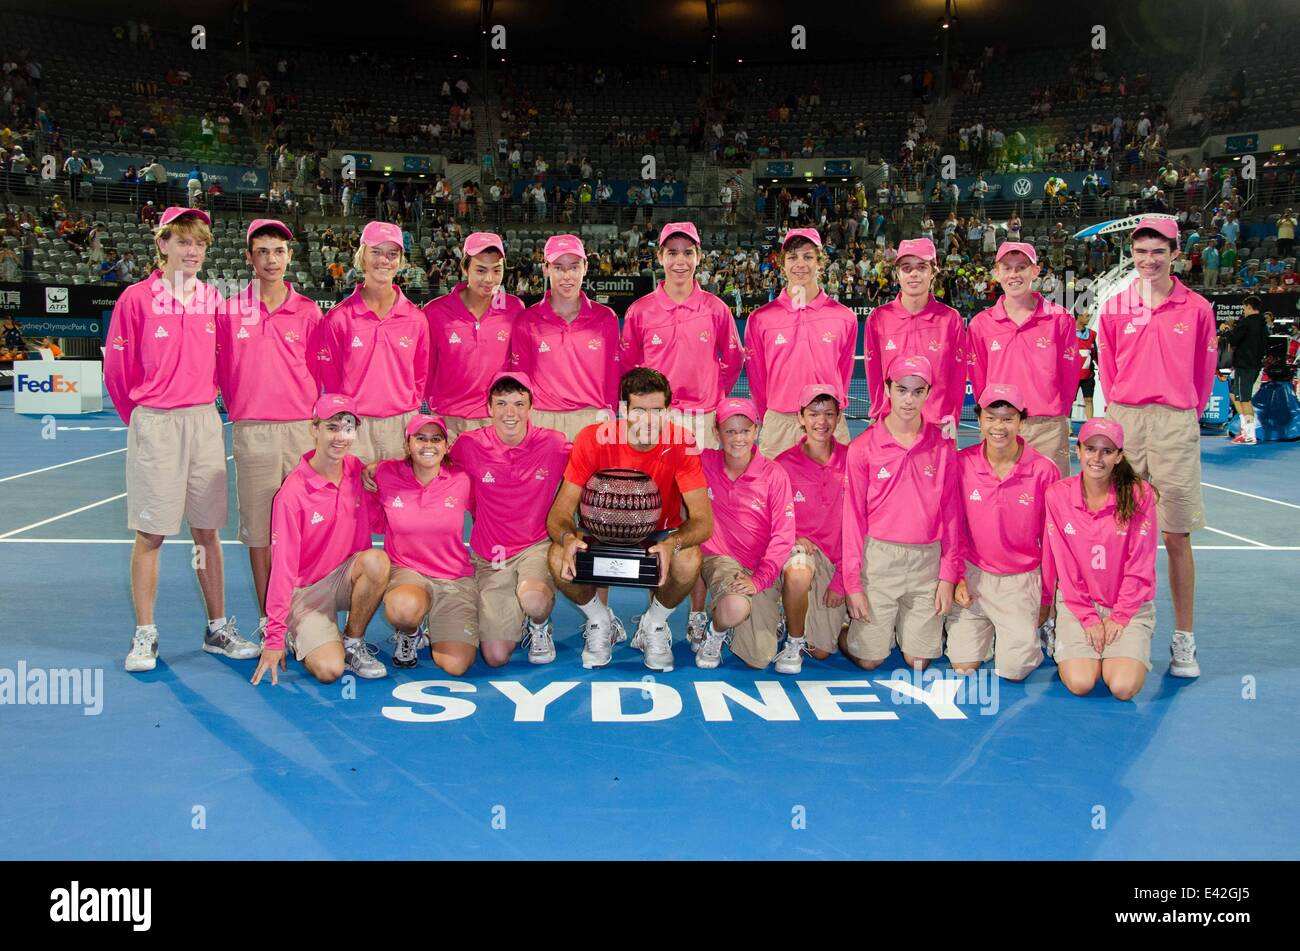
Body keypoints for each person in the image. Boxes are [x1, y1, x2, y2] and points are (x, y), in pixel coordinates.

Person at [104, 206, 258, 672]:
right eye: (183, 241)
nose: (192, 251)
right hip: (157, 422)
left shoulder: (214, 299)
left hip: (204, 422)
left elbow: (227, 364)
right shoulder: (136, 298)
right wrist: (143, 418)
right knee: (151, 531)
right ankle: (145, 634)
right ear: (163, 244)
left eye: (199, 244)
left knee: (206, 531)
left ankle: (216, 628)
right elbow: (117, 370)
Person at [1096, 216, 1215, 677]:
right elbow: (1107, 369)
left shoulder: (1197, 308)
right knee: (1115, 529)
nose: (1149, 260)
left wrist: (1179, 412)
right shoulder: (1115, 307)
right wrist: (1125, 410)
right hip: (1124, 420)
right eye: (1141, 252)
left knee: (1175, 534)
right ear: (1133, 253)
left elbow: (1203, 378)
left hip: (1174, 423)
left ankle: (1183, 639)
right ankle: (1110, 626)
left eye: (1158, 251)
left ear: (1174, 253)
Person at [548, 367, 714, 671]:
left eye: (656, 410)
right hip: (600, 534)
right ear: (623, 410)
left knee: (689, 558)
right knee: (559, 554)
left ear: (668, 411)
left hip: (658, 536)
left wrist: (673, 543)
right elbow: (559, 513)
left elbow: (703, 521)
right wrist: (568, 537)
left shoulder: (682, 441)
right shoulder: (593, 439)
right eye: (639, 410)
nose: (648, 420)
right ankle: (600, 621)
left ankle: (654, 624)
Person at [217, 219, 325, 643]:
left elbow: (321, 370)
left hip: (302, 431)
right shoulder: (229, 310)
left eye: (278, 251)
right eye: (262, 251)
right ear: (249, 257)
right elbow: (221, 370)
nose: (271, 259)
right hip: (254, 432)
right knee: (261, 532)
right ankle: (269, 618)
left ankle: (302, 614)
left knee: (305, 528)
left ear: (289, 257)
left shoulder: (310, 311)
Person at [251, 395, 392, 686]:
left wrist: (380, 488)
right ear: (314, 429)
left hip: (344, 575)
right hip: (307, 590)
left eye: (348, 428)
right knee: (330, 671)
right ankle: (296, 632)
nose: (341, 436)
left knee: (377, 562)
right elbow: (282, 569)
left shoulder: (357, 472)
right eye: (332, 427)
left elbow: (379, 525)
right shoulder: (292, 495)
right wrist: (274, 637)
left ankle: (353, 644)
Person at [441, 372, 569, 668]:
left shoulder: (553, 444)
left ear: (530, 407)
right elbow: (432, 466)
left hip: (535, 545)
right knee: (495, 656)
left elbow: (590, 463)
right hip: (492, 554)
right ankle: (510, 611)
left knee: (534, 600)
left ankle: (538, 625)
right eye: (501, 404)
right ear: (489, 408)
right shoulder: (468, 445)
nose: (510, 413)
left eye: (518, 404)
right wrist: (379, 469)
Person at [841, 354, 960, 670]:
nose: (909, 399)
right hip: (879, 561)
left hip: (926, 562)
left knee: (918, 661)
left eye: (918, 391)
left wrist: (948, 576)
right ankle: (852, 630)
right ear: (887, 389)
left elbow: (951, 514)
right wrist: (852, 585)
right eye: (902, 389)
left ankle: (894, 628)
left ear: (928, 393)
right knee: (870, 660)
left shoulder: (943, 446)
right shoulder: (863, 448)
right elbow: (853, 519)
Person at [946, 384, 1062, 680]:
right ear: (980, 420)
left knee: (1013, 670)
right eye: (991, 417)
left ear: (1022, 422)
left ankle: (1019, 635)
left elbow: (1051, 544)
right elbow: (953, 527)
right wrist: (958, 577)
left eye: (1008, 418)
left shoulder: (1044, 471)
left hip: (1019, 581)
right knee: (962, 664)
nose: (999, 426)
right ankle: (990, 632)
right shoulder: (961, 463)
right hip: (975, 578)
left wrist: (1046, 598)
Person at [1043, 419, 1159, 701]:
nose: (1097, 458)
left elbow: (1140, 564)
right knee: (1081, 682)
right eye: (1090, 449)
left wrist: (1119, 617)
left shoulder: (1140, 495)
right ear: (1078, 451)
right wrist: (1088, 616)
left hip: (1128, 606)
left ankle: (1126, 645)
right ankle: (1074, 642)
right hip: (1078, 604)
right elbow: (1066, 566)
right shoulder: (1058, 495)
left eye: (1107, 451)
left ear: (1119, 456)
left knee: (1122, 687)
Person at [619, 221, 743, 450]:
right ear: (659, 256)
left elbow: (734, 360)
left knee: (704, 486)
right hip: (656, 419)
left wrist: (712, 391)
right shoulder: (639, 311)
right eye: (672, 252)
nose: (680, 261)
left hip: (704, 418)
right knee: (655, 486)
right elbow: (629, 368)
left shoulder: (716, 308)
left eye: (688, 253)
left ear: (699, 256)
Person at [371, 414, 480, 672]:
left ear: (445, 445)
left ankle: (439, 621)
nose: (428, 445)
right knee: (404, 610)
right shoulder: (385, 473)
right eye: (420, 438)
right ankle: (410, 632)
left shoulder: (462, 478)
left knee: (456, 665)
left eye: (436, 439)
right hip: (408, 572)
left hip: (453, 578)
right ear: (408, 443)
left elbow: (488, 516)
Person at [692, 398, 795, 669]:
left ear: (757, 431)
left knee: (759, 660)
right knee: (735, 608)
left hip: (761, 567)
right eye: (730, 431)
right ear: (717, 433)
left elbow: (784, 536)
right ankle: (715, 631)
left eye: (745, 430)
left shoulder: (775, 475)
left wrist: (760, 580)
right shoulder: (703, 463)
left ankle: (768, 613)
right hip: (721, 559)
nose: (738, 438)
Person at [317, 220, 429, 465]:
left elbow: (420, 376)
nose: (384, 260)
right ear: (362, 256)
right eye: (376, 251)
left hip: (401, 426)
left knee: (398, 503)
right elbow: (331, 380)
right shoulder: (338, 317)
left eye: (392, 254)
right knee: (353, 502)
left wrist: (402, 406)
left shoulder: (416, 318)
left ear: (400, 260)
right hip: (354, 426)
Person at [967, 242, 1078, 476]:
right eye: (1007, 268)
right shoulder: (980, 324)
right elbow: (979, 380)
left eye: (1021, 267)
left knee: (1052, 503)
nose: (1014, 274)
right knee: (999, 500)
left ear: (1035, 271)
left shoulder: (1060, 319)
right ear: (997, 273)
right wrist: (992, 418)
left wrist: (1055, 415)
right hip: (999, 426)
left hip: (1047, 429)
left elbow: (1069, 376)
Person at [743, 228, 855, 458]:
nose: (800, 264)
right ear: (782, 264)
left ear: (820, 263)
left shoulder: (844, 317)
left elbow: (843, 373)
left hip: (828, 421)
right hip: (779, 424)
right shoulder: (760, 318)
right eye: (793, 257)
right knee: (773, 494)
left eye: (808, 256)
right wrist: (774, 415)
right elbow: (756, 378)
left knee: (836, 493)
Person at [771, 384, 850, 674]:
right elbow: (773, 518)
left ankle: (824, 620)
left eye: (829, 414)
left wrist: (842, 579)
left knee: (821, 652)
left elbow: (860, 525)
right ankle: (793, 637)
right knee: (799, 571)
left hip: (837, 561)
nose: (822, 421)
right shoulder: (783, 464)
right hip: (800, 553)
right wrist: (793, 536)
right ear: (801, 417)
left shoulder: (854, 459)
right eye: (814, 413)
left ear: (839, 418)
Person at [509, 234, 620, 440]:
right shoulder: (526, 320)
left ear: (586, 267)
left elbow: (613, 376)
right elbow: (520, 380)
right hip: (542, 419)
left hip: (592, 419)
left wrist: (610, 416)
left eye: (574, 267)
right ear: (546, 269)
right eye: (558, 267)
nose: (567, 276)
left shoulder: (606, 318)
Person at [423, 232, 525, 442]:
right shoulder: (435, 312)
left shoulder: (514, 308)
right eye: (480, 270)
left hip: (496, 420)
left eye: (497, 270)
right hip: (448, 420)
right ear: (464, 268)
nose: (489, 279)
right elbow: (427, 368)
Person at [863, 238, 967, 439]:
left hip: (938, 427)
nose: (914, 274)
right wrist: (877, 415)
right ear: (897, 274)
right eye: (906, 267)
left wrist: (952, 417)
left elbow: (957, 378)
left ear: (933, 272)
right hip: (890, 427)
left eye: (921, 267)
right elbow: (874, 377)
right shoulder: (878, 318)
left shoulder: (950, 319)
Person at [1226, 295, 1269, 445]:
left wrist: (1227, 331)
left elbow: (1233, 340)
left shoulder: (1246, 323)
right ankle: (1245, 428)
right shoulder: (1264, 324)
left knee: (1245, 399)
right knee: (1234, 395)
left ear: (1249, 307)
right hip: (1254, 365)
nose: (1244, 311)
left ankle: (1250, 434)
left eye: (1244, 308)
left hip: (1245, 365)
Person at [1075, 308, 1098, 420]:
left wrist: (1102, 369)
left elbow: (1095, 354)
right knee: (1069, 400)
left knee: (1089, 399)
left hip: (1088, 374)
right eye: (1086, 316)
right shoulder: (1068, 333)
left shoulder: (1092, 335)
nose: (1089, 318)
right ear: (1078, 317)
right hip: (1072, 375)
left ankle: (1090, 424)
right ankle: (1067, 425)